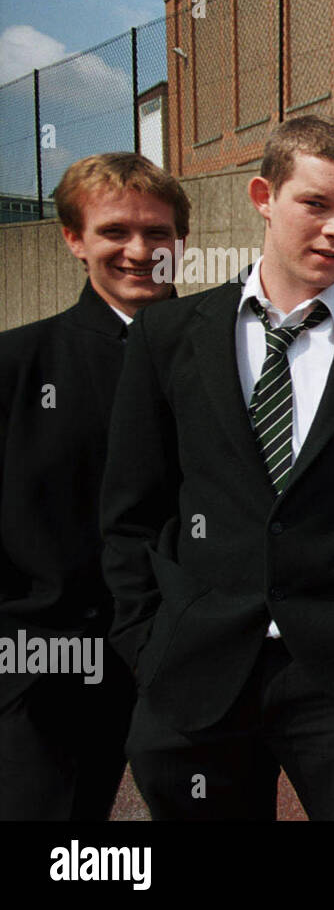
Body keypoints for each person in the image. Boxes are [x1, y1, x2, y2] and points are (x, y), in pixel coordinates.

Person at [101, 115, 334, 820]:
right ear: (262, 196)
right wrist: (146, 640)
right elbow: (131, 511)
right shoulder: (167, 336)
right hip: (197, 668)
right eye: (317, 204)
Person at [0, 153, 188, 820]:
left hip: (195, 659)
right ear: (74, 239)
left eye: (158, 234)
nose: (139, 251)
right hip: (49, 668)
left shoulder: (238, 359)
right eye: (114, 231)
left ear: (181, 244)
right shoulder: (15, 367)